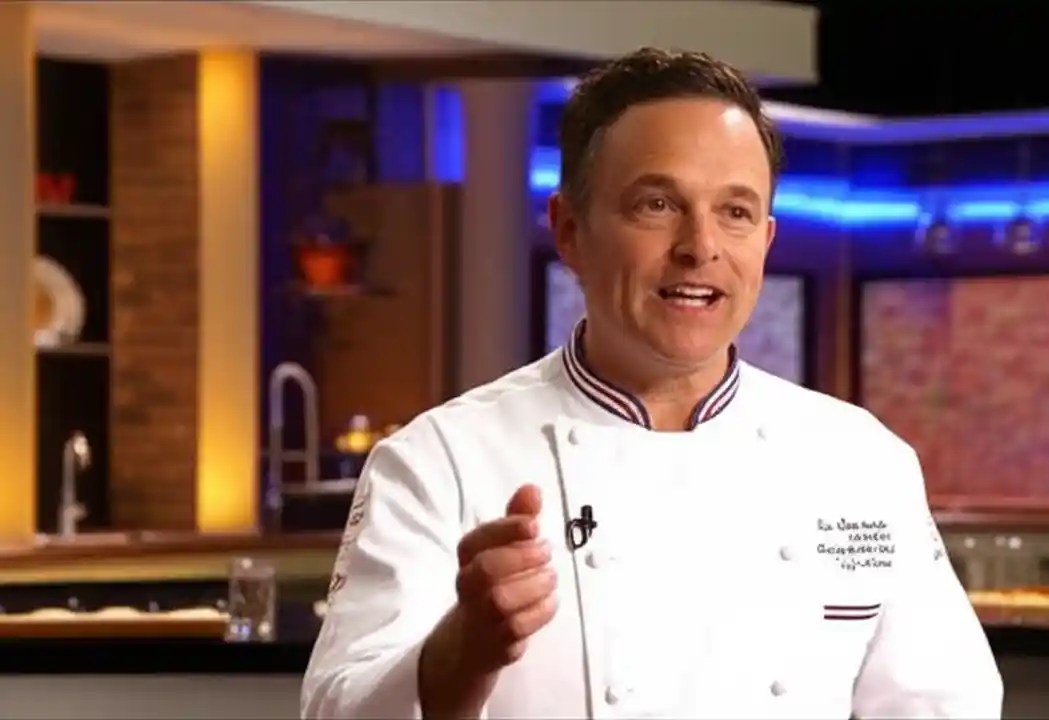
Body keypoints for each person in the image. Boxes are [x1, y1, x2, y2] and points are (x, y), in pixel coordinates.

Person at [301, 47, 1003, 720]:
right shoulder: (441, 462)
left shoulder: (861, 460)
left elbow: (946, 704)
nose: (700, 247)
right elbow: (336, 709)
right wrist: (461, 652)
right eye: (657, 205)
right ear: (569, 231)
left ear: (766, 239)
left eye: (735, 211)